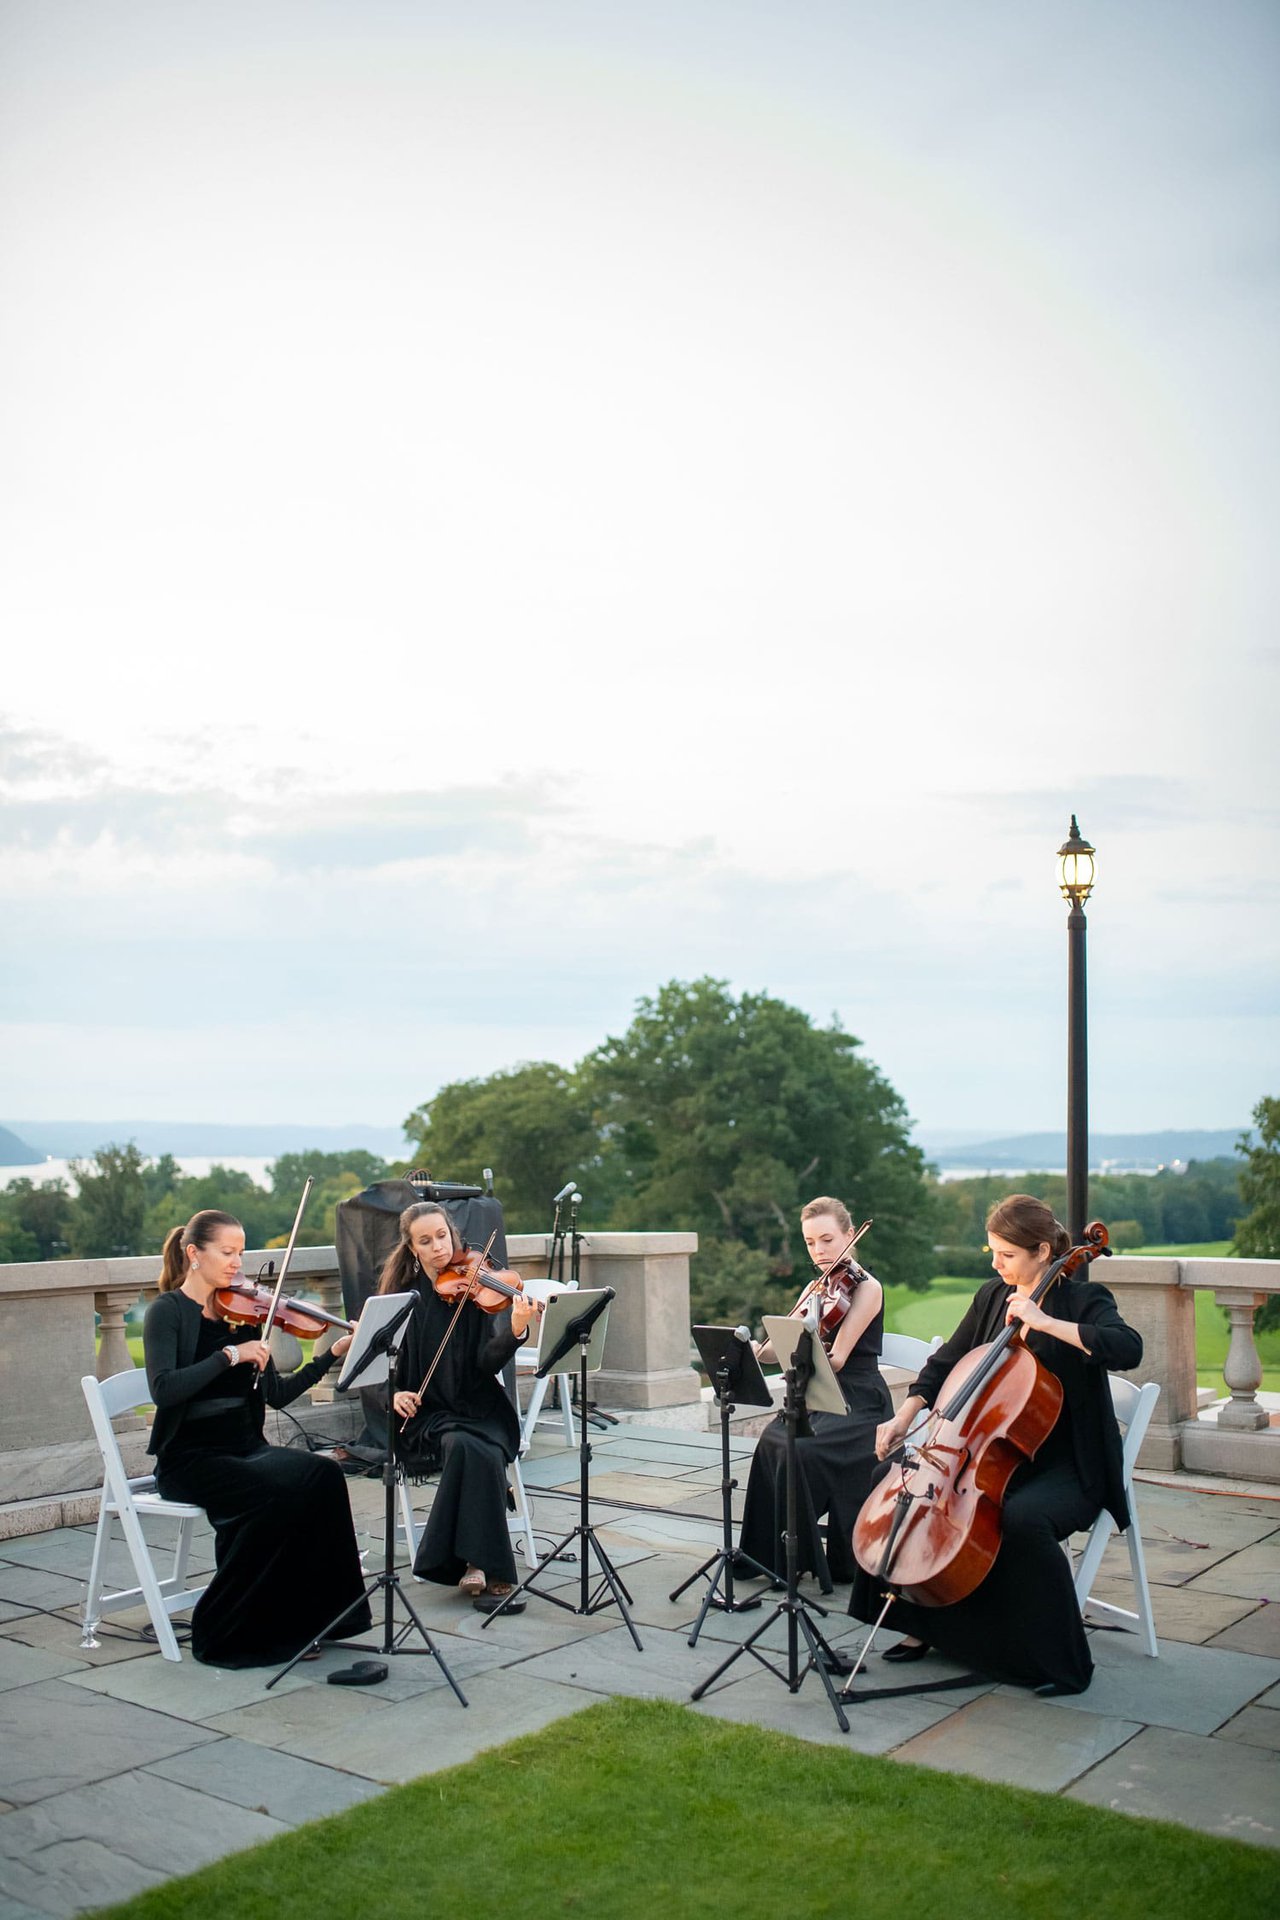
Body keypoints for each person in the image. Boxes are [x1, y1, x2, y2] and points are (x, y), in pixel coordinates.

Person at [849, 1192, 1142, 1695]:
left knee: (1023, 1519)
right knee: (890, 1480)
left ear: (1042, 1252)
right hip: (994, 1454)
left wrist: (1045, 1321)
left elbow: (1128, 1347)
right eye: (992, 1252)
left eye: (1006, 1254)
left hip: (1068, 1464)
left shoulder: (1084, 1301)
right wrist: (905, 1413)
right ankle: (920, 1623)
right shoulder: (991, 1296)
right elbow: (947, 1363)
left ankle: (1065, 1665)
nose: (996, 1263)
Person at [143, 1209, 372, 1668]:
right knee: (272, 1496)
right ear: (194, 1253)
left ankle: (321, 1617)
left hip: (245, 1448)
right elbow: (163, 1389)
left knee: (323, 1476)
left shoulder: (242, 1314)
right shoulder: (167, 1312)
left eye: (240, 1253)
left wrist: (330, 1353)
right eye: (227, 1252)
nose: (237, 1263)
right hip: (189, 1458)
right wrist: (230, 1356)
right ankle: (230, 1628)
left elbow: (277, 1393)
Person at [382, 1201, 542, 1609]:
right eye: (425, 1241)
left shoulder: (476, 1291)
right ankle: (489, 1566)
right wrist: (394, 1393)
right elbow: (372, 1363)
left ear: (453, 1235)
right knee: (468, 1448)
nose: (438, 1247)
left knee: (482, 1448)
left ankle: (471, 1561)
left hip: (480, 1406)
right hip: (429, 1415)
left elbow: (487, 1362)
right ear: (412, 1249)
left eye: (442, 1236)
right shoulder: (402, 1300)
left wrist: (516, 1330)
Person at [736, 1197, 892, 1593]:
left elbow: (837, 1358)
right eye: (810, 1243)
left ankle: (805, 1557)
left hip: (858, 1401)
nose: (819, 1251)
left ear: (849, 1235)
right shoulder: (815, 1287)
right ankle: (774, 1555)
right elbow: (777, 1350)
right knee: (773, 1441)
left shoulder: (866, 1288)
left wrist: (800, 1340)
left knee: (800, 1449)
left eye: (827, 1240)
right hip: (818, 1394)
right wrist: (756, 1346)